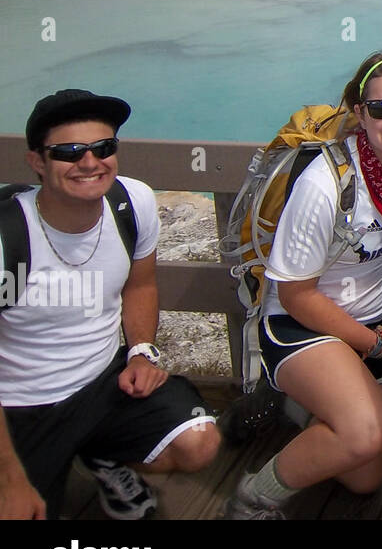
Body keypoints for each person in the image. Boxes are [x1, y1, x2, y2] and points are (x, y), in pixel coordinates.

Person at [225, 50, 382, 518]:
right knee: (365, 434)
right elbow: (296, 295)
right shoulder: (325, 184)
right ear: (360, 112)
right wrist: (376, 343)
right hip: (302, 325)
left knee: (364, 476)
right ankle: (254, 497)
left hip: (371, 323)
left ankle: (304, 407)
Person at [0, 89, 220, 519]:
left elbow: (139, 285)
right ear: (37, 162)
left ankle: (100, 454)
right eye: (68, 152)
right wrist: (10, 480)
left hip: (104, 384)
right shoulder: (9, 239)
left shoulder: (131, 203)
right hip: (21, 406)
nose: (89, 162)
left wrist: (141, 351)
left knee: (199, 443)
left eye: (103, 148)